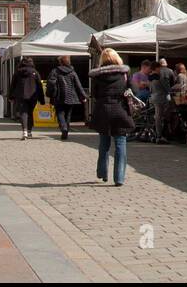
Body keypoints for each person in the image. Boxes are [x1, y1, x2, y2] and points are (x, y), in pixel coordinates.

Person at [89, 48, 135, 185]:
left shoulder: (97, 76)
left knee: (104, 143)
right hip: (120, 110)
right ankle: (119, 178)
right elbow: (134, 90)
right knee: (120, 144)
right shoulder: (125, 73)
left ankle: (103, 172)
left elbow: (94, 94)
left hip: (103, 110)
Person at [47, 55, 89, 140]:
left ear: (60, 62)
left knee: (60, 113)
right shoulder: (72, 72)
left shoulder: (55, 71)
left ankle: (63, 128)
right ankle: (66, 129)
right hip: (71, 96)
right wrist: (83, 96)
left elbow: (50, 83)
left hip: (59, 96)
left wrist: (50, 94)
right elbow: (78, 85)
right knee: (68, 114)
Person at [11, 57, 46, 140]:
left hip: (21, 96)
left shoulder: (17, 72)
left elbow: (13, 85)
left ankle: (25, 131)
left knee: (23, 113)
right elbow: (39, 86)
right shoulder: (35, 72)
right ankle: (29, 131)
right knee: (30, 113)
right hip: (32, 96)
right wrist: (42, 99)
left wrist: (11, 96)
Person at [150, 58, 176, 144]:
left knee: (158, 117)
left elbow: (150, 88)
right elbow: (167, 88)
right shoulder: (160, 76)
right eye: (159, 67)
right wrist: (172, 90)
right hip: (162, 98)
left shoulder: (151, 76)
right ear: (156, 68)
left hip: (154, 97)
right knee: (161, 117)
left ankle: (158, 135)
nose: (160, 69)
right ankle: (160, 136)